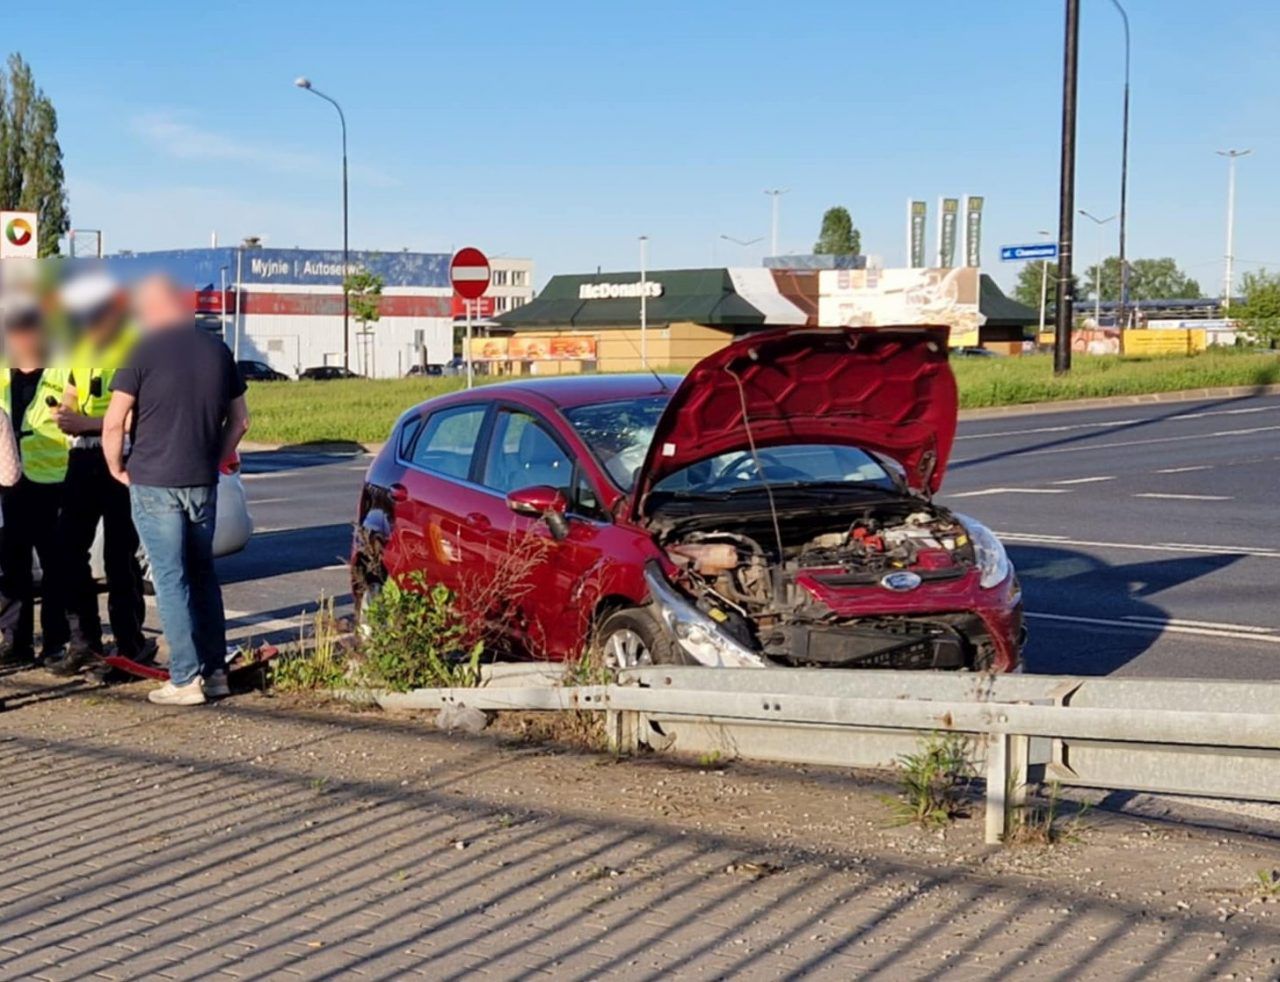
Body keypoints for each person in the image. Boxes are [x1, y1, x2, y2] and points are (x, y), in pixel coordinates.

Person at [103, 276, 250, 705]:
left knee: (170, 579)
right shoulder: (218, 350)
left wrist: (116, 467)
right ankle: (216, 672)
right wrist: (216, 459)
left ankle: (184, 679)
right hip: (201, 480)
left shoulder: (141, 350)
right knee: (203, 574)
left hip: (154, 480)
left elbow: (114, 421)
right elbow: (241, 421)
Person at [45, 273, 150, 677]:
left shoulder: (133, 349)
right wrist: (64, 412)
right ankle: (84, 642)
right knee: (68, 550)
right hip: (82, 458)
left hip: (122, 457)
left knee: (119, 557)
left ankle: (129, 644)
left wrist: (86, 423)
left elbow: (140, 415)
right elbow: (73, 392)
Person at [0, 297, 71, 666]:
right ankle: (16, 642)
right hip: (8, 483)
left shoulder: (61, 371)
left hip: (51, 480)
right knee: (13, 565)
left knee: (54, 566)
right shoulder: (2, 373)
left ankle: (55, 643)